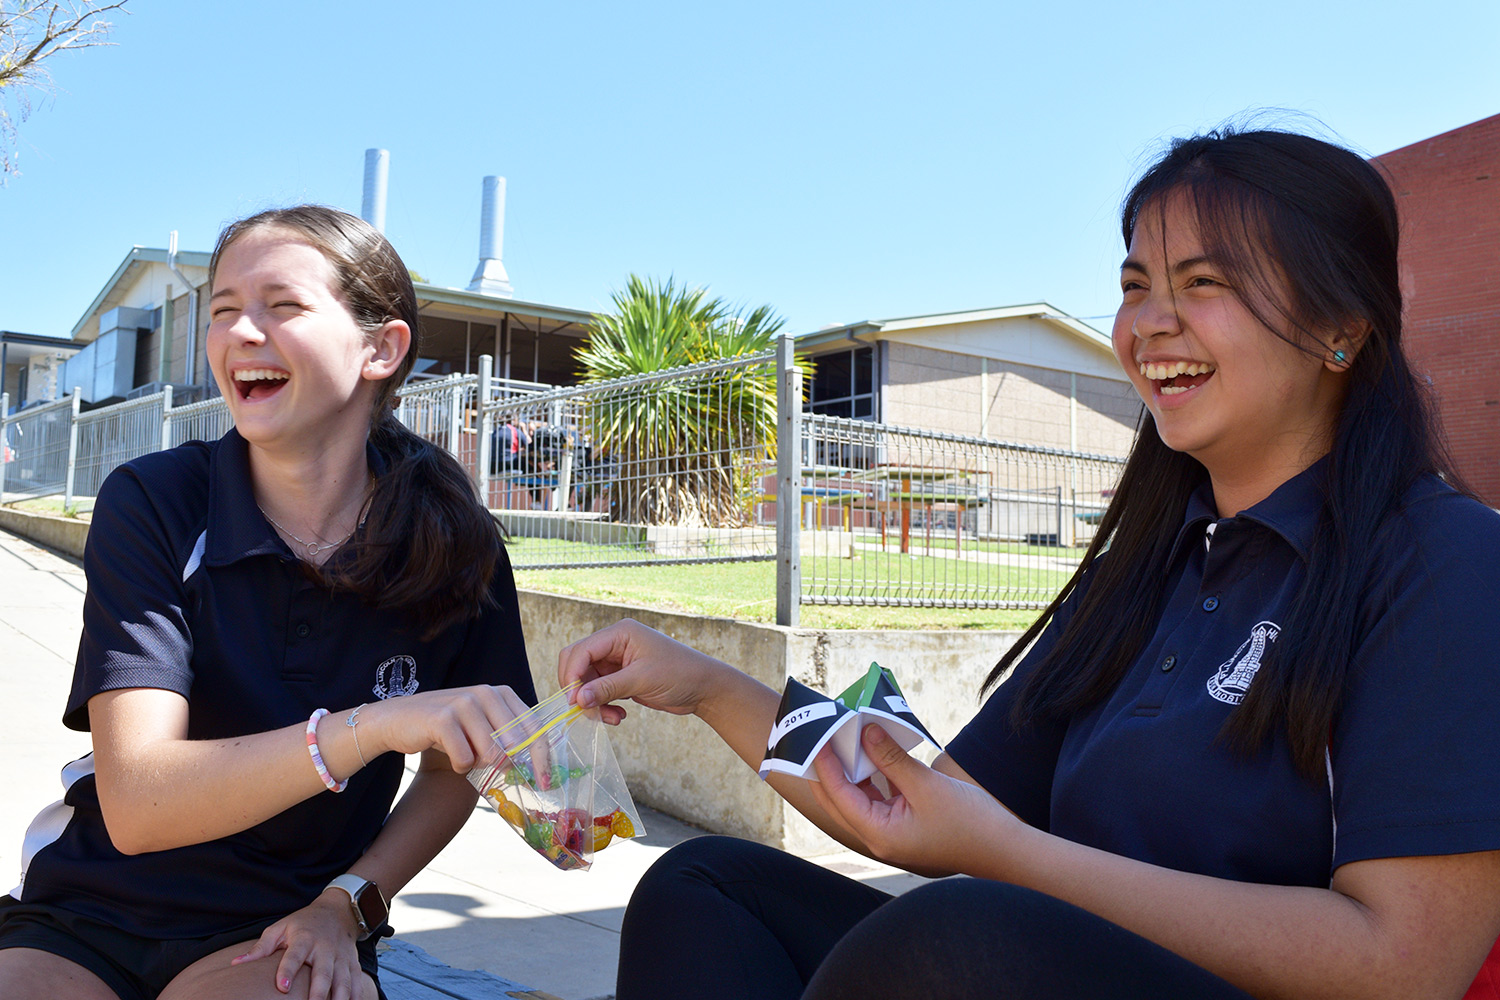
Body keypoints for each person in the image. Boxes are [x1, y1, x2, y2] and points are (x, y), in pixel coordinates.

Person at [555, 127, 1500, 1000]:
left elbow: (1404, 964)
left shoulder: (1442, 561)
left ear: (1343, 322)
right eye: (1135, 286)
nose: (1150, 324)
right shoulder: (1146, 574)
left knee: (954, 939)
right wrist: (709, 685)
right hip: (1035, 956)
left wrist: (1016, 859)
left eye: (1203, 283)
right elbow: (922, 797)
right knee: (706, 887)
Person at [0, 206, 536, 1000]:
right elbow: (140, 803)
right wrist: (371, 727)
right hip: (91, 914)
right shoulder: (156, 501)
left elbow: (463, 769)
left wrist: (348, 904)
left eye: (281, 306)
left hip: (283, 928)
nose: (240, 333)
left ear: (380, 348)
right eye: (222, 312)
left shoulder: (455, 541)